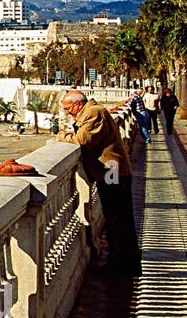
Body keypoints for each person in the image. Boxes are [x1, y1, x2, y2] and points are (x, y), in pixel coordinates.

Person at [56, 89, 142, 275]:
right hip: (111, 170)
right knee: (118, 217)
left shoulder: (94, 113)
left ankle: (120, 265)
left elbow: (81, 140)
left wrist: (61, 135)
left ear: (78, 104)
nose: (67, 112)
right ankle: (126, 263)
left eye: (68, 108)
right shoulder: (92, 112)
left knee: (117, 218)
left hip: (112, 171)